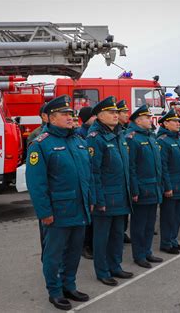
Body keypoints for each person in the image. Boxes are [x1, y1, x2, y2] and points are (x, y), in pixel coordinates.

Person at [26, 95, 93, 310]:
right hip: (58, 211)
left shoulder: (78, 141)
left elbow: (87, 175)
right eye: (65, 114)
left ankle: (69, 286)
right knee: (53, 255)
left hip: (79, 208)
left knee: (74, 252)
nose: (70, 117)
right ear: (51, 118)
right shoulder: (41, 145)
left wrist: (89, 200)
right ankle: (54, 291)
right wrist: (44, 212)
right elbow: (37, 184)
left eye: (71, 113)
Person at [87, 96, 133, 287]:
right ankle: (102, 271)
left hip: (121, 196)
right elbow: (93, 172)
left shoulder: (120, 134)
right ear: (100, 115)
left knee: (117, 235)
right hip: (105, 198)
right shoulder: (95, 138)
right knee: (101, 237)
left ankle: (115, 266)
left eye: (117, 112)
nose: (116, 115)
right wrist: (98, 199)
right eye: (111, 112)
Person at [125, 104, 164, 268]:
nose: (150, 120)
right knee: (139, 225)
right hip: (141, 188)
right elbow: (131, 167)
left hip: (153, 187)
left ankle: (147, 251)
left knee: (150, 223)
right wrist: (134, 189)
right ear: (138, 120)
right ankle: (139, 255)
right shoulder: (132, 138)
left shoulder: (150, 137)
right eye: (147, 118)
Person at [157, 109, 180, 254]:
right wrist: (167, 187)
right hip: (172, 185)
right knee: (168, 217)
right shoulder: (163, 141)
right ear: (166, 123)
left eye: (179, 121)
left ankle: (173, 241)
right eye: (175, 121)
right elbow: (163, 167)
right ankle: (166, 243)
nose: (178, 124)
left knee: (177, 216)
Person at [75, 106, 97, 260]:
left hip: (91, 180)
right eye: (93, 116)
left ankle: (90, 243)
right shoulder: (81, 134)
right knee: (86, 220)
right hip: (84, 180)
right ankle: (85, 246)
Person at [116, 99, 131, 243]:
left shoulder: (123, 133)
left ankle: (123, 232)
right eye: (124, 112)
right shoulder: (121, 133)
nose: (127, 115)